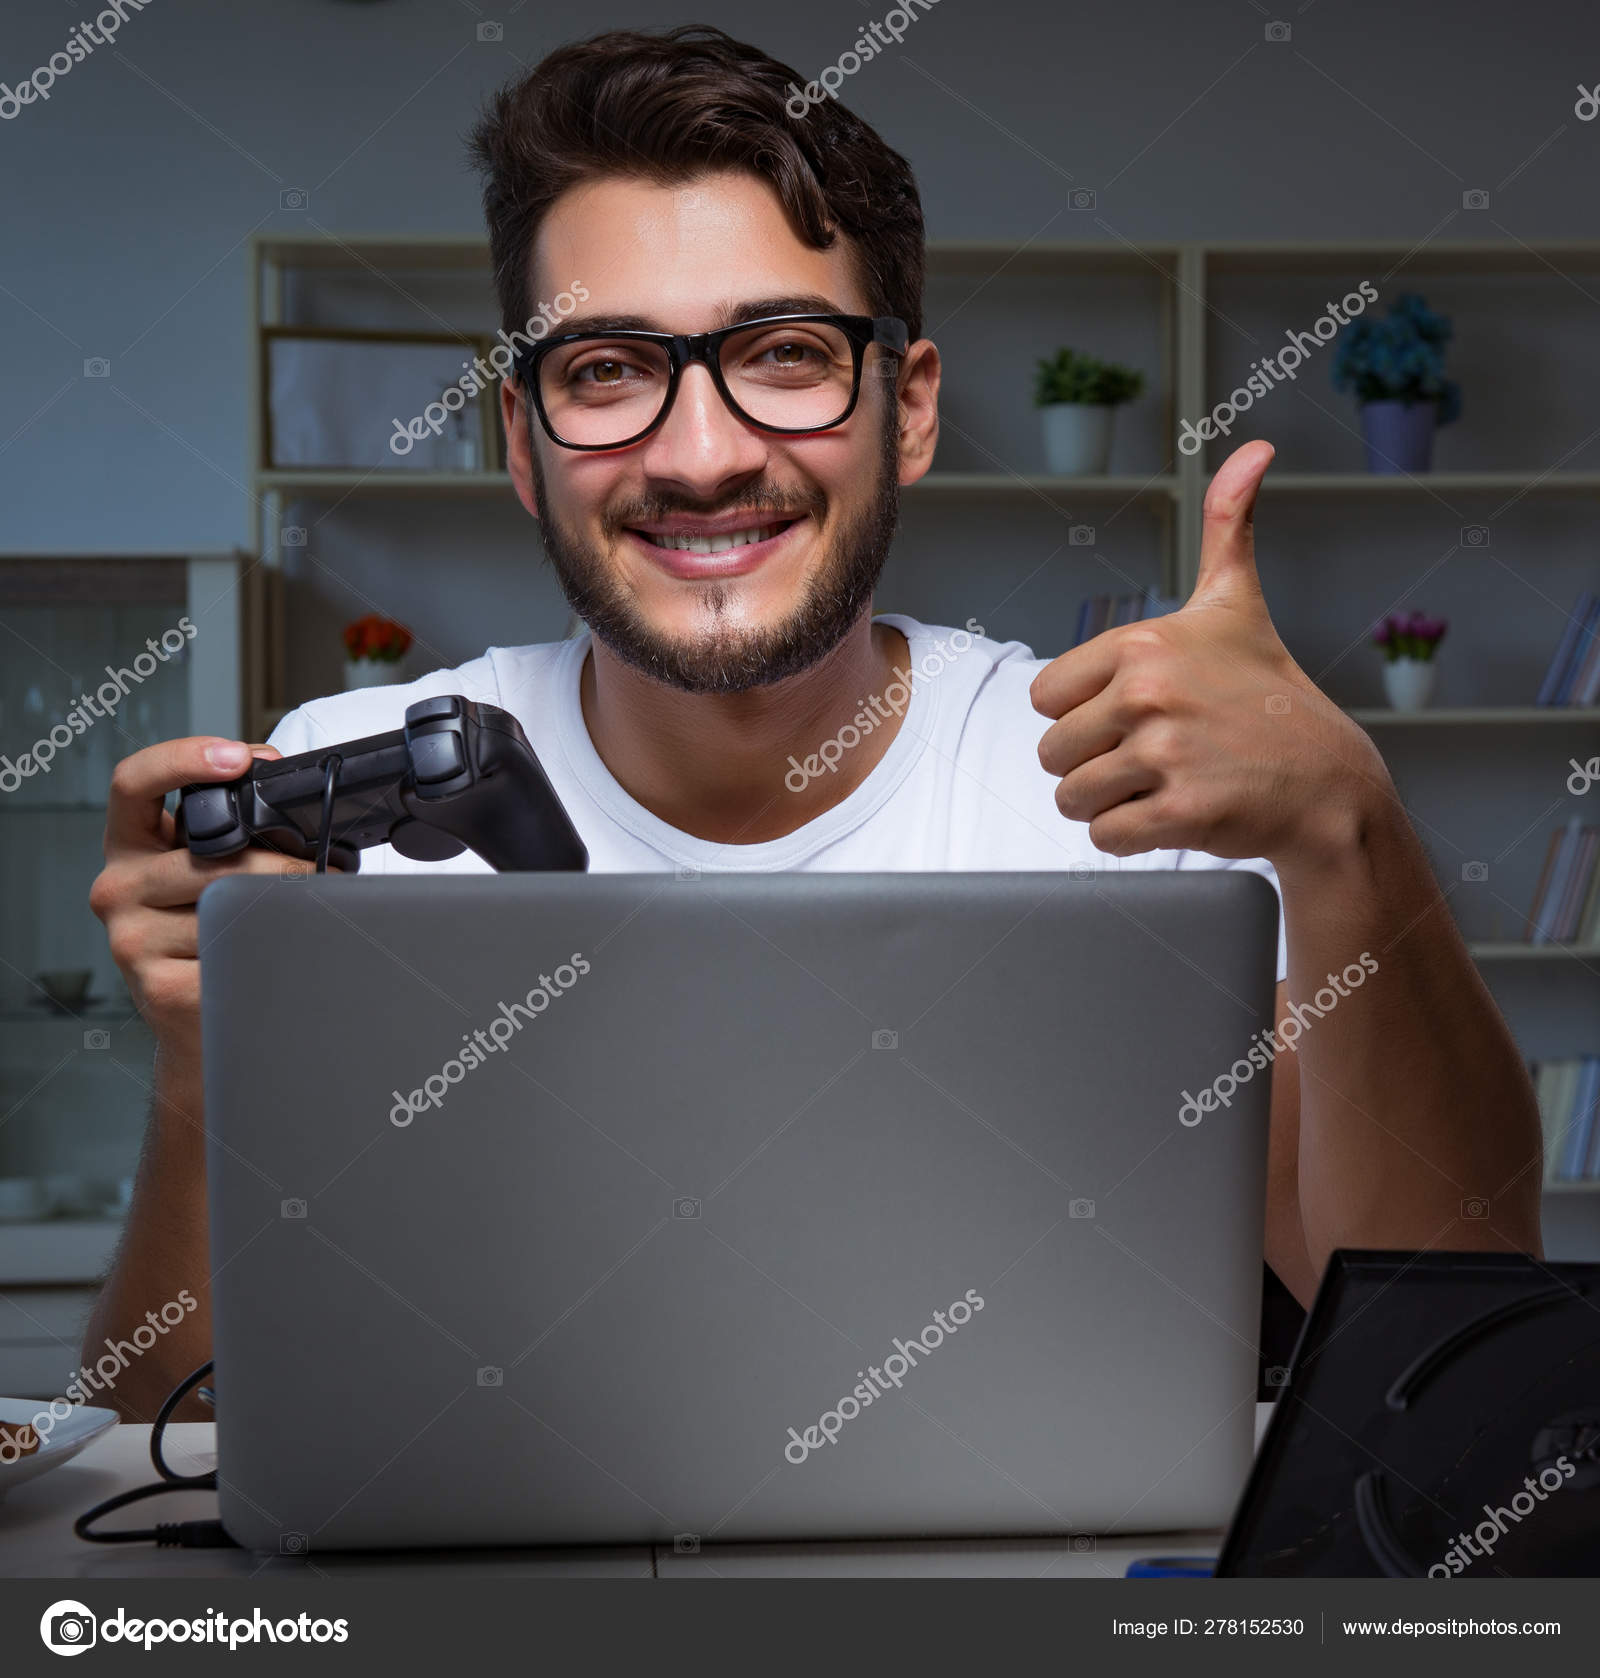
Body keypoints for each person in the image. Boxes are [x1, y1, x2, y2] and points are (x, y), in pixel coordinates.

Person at [85, 25, 1541, 1422]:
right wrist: (207, 1066)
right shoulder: (341, 806)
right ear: (522, 443)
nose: (702, 453)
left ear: (904, 410)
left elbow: (1451, 1368)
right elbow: (168, 1436)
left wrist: (1357, 827)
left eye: (782, 352)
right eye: (606, 370)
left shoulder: (1114, 792)